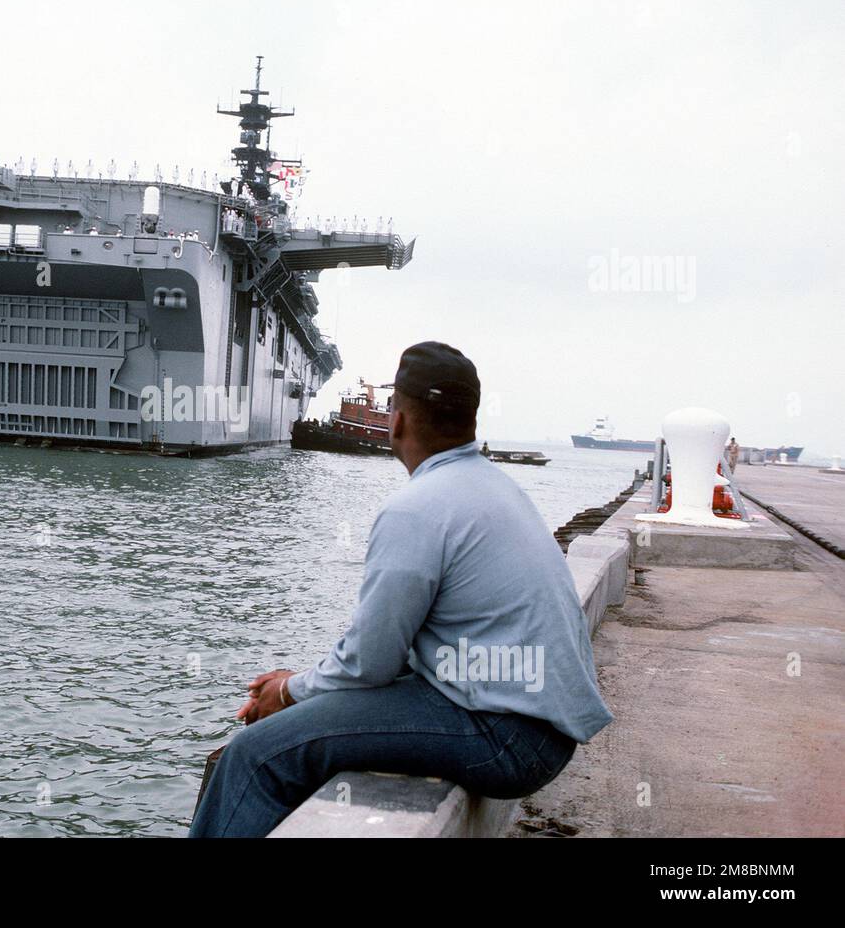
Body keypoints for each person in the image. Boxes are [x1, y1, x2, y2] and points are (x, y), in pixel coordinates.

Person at [189, 342, 613, 838]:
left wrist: (286, 691)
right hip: (542, 731)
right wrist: (302, 691)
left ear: (398, 420)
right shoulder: (499, 488)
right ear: (470, 420)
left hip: (504, 736)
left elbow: (369, 662)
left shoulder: (416, 508)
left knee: (256, 755)